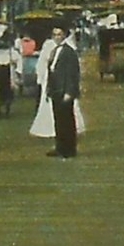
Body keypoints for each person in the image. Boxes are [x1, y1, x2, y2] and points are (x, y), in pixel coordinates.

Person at [45, 24, 82, 159]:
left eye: (59, 34)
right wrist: (49, 90)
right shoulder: (54, 51)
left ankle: (69, 149)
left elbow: (73, 74)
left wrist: (69, 92)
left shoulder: (69, 52)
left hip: (64, 90)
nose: (57, 37)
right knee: (58, 120)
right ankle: (60, 146)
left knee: (67, 121)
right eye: (54, 35)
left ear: (65, 35)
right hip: (55, 90)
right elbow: (51, 71)